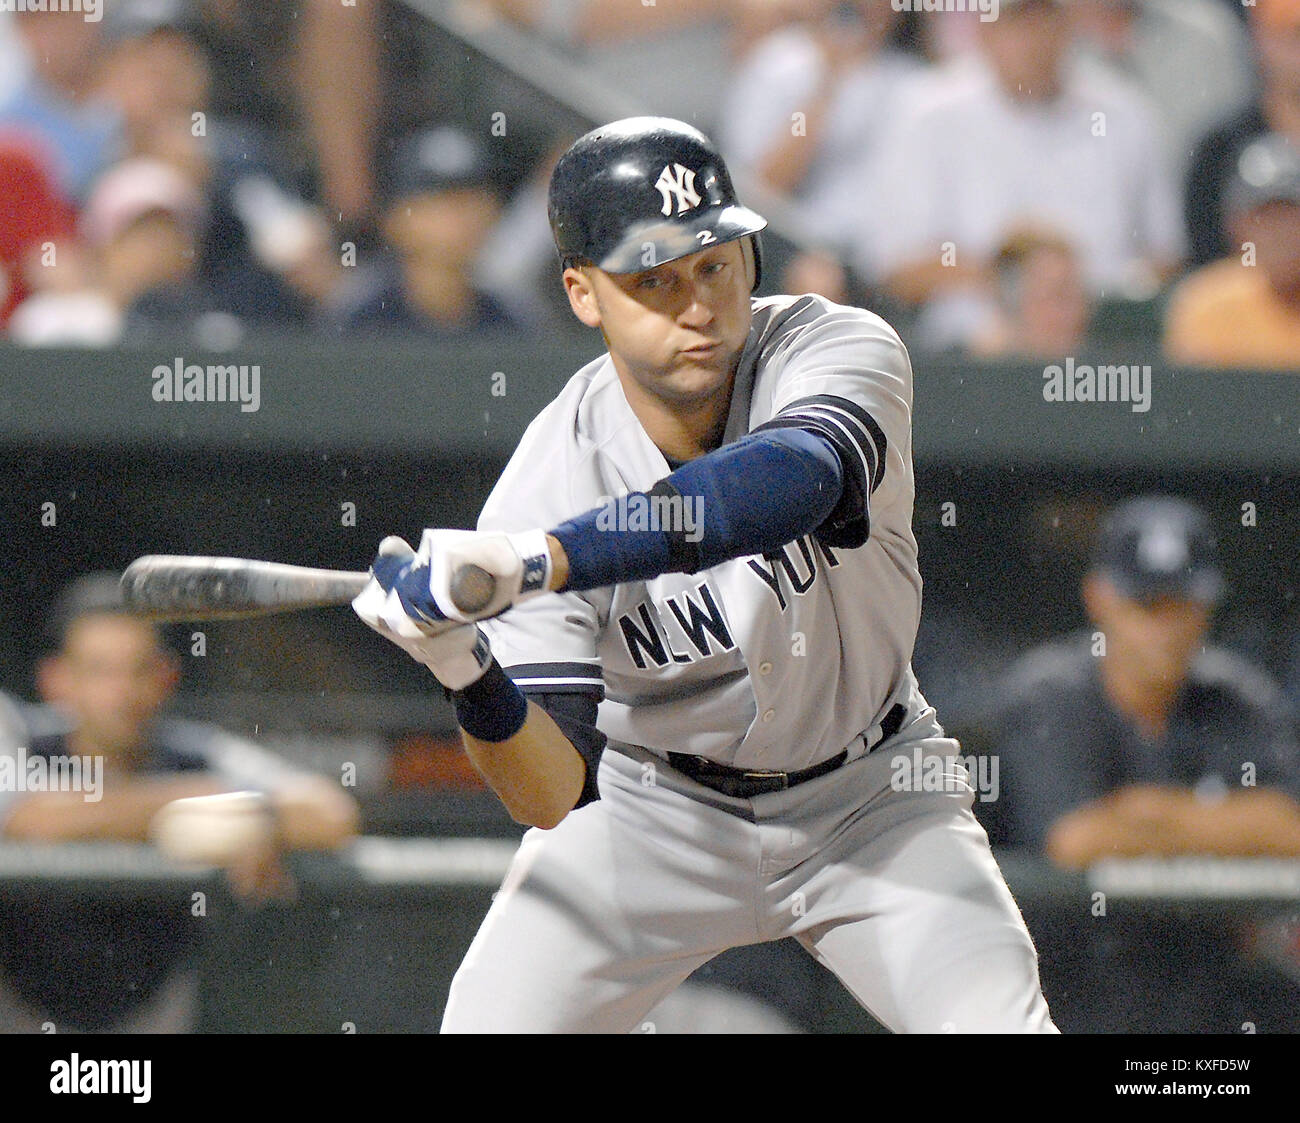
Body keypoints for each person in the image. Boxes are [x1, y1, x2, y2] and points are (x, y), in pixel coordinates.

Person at [351, 117, 1057, 1034]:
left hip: (873, 798)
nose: (695, 304)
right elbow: (548, 792)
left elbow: (789, 481)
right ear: (582, 293)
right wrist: (462, 667)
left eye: (713, 263)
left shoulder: (834, 346)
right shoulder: (548, 475)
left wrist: (541, 561)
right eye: (653, 279)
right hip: (655, 809)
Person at [988, 496, 1300, 1032]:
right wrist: (1221, 822)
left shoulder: (1237, 697)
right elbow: (1074, 840)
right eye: (1145, 604)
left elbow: (1288, 828)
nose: (1164, 627)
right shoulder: (1049, 694)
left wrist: (1142, 815)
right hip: (1063, 998)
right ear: (1100, 597)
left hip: (1206, 1006)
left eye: (1179, 604)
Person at [0, 573, 359, 1032]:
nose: (122, 693)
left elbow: (331, 812)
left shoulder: (194, 753)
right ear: (55, 680)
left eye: (139, 670)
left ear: (166, 676)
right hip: (20, 1008)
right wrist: (195, 804)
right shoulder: (21, 737)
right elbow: (28, 819)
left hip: (150, 1012)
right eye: (99, 671)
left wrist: (261, 818)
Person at [860, 0, 1182, 351]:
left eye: (1047, 18)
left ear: (1070, 25)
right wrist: (1015, 283)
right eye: (1018, 21)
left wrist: (1070, 297)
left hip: (1102, 341)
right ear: (985, 29)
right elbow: (892, 268)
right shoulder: (926, 111)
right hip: (969, 350)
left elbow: (1164, 258)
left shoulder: (1124, 113)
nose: (1035, 38)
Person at [1164, 133, 1300, 370]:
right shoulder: (1208, 303)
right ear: (1236, 226)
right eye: (1265, 217)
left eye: (1291, 216)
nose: (1280, 234)